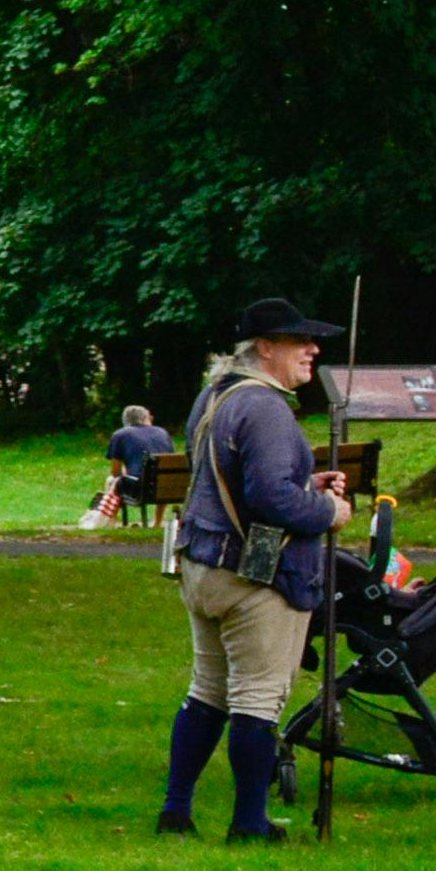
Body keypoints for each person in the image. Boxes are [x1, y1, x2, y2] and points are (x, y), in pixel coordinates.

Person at [165, 302, 355, 843]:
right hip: (255, 575)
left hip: (204, 565)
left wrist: (306, 485)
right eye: (299, 341)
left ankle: (176, 812)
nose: (313, 349)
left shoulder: (216, 394)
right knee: (257, 699)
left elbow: (236, 479)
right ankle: (249, 823)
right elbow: (270, 497)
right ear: (265, 348)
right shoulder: (267, 407)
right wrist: (328, 510)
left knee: (208, 691)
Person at [98, 404, 174, 530]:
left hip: (138, 489)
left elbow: (115, 473)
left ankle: (111, 521)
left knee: (111, 480)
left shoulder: (120, 435)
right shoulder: (162, 432)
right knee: (160, 477)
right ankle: (158, 521)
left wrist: (125, 472)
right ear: (145, 418)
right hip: (168, 487)